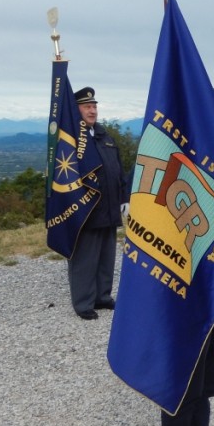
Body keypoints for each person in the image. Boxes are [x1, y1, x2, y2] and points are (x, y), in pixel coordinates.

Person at [66, 86, 128, 320]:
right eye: (86, 107)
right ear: (76, 110)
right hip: (86, 209)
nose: (92, 111)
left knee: (106, 255)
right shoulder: (72, 139)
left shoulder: (104, 136)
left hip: (110, 207)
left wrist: (124, 198)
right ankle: (83, 302)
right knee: (85, 257)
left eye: (94, 106)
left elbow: (117, 170)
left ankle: (102, 296)